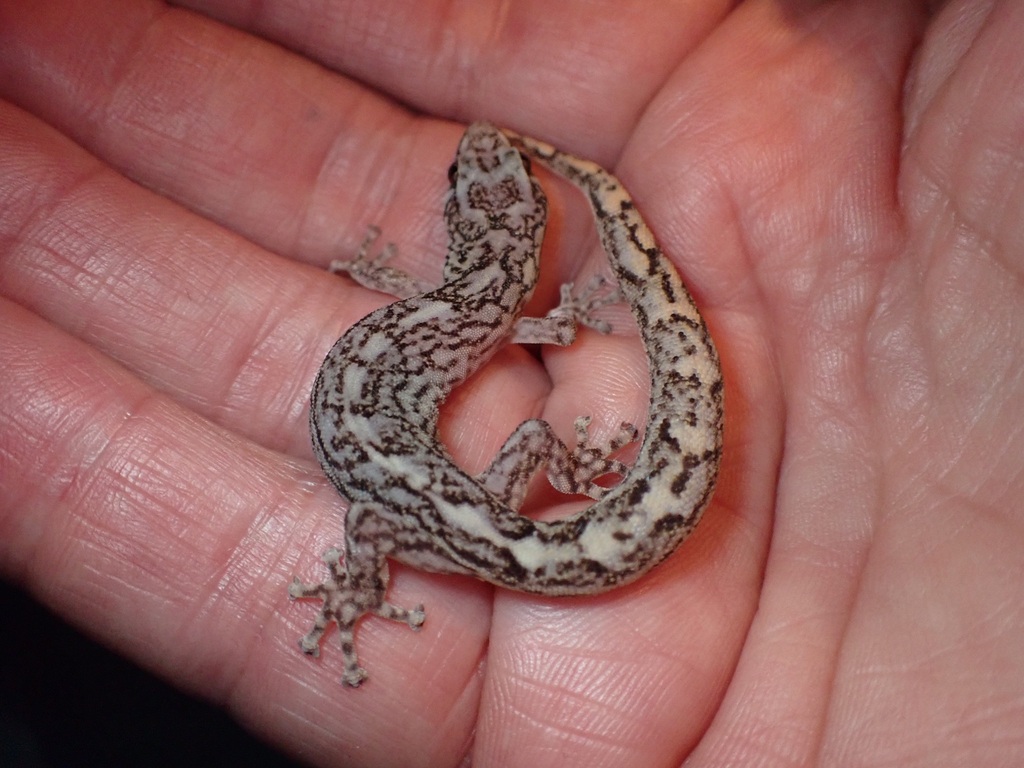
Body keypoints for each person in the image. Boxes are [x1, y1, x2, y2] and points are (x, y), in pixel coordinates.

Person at [1, 1, 1021, 765]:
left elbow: (430, 398)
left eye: (492, 184)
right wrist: (556, 385)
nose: (480, 165)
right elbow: (486, 351)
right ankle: (484, 516)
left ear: (478, 232)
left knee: (389, 511)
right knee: (429, 492)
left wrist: (372, 561)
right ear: (520, 241)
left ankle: (377, 574)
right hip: (470, 514)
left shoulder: (452, 313)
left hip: (439, 508)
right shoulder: (483, 318)